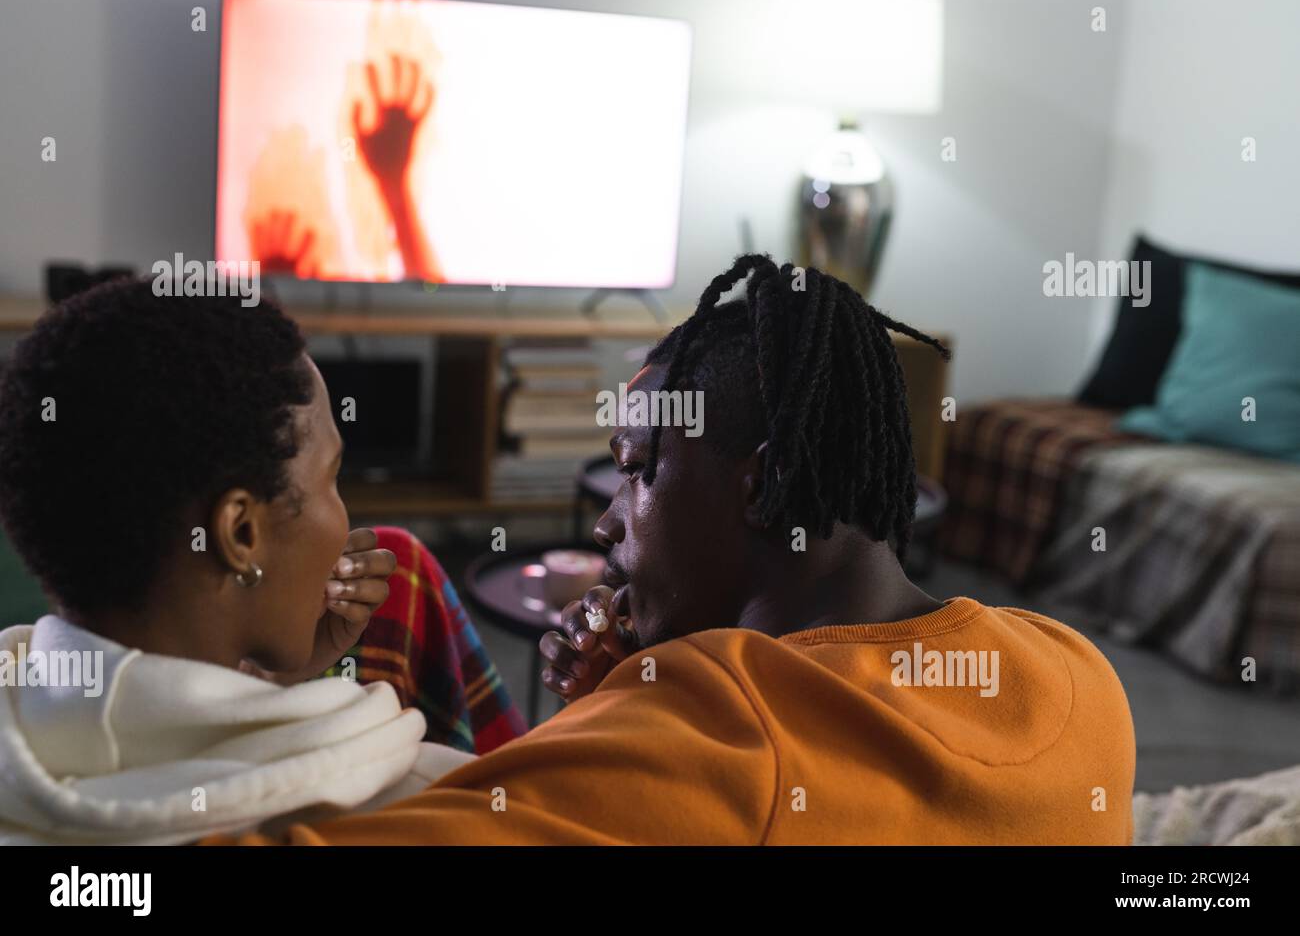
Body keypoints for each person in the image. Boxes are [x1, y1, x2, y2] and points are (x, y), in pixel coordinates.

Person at [217, 254, 1136, 845]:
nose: (609, 522)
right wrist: (624, 699)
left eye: (636, 472)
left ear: (763, 483)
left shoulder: (721, 735)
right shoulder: (1075, 669)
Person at [0, 278, 521, 844]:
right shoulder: (417, 799)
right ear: (241, 532)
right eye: (332, 477)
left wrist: (255, 680)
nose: (344, 515)